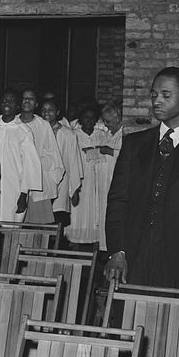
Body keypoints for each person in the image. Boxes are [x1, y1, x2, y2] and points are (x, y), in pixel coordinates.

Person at [105, 68, 179, 289]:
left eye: (166, 95)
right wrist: (117, 251)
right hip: (134, 258)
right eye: (154, 94)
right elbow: (118, 201)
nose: (157, 101)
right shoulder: (135, 144)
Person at [0, 90, 42, 221]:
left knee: (11, 224)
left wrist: (23, 194)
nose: (7, 103)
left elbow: (29, 165)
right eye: (4, 101)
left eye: (11, 101)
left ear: (17, 106)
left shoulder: (23, 130)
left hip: (15, 186)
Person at [18, 88, 65, 224]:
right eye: (24, 98)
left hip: (39, 186)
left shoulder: (43, 126)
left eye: (31, 98)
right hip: (15, 183)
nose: (27, 101)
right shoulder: (12, 125)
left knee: (38, 229)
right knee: (14, 227)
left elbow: (55, 159)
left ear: (36, 104)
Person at [41, 97, 83, 238]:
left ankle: (54, 252)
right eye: (44, 110)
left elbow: (73, 160)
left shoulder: (67, 134)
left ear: (58, 112)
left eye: (51, 110)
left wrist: (74, 189)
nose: (47, 113)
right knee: (41, 221)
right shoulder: (36, 131)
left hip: (62, 183)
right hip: (41, 182)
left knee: (57, 220)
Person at [66, 104, 105, 249]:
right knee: (77, 210)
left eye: (92, 118)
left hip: (96, 179)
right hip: (79, 178)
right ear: (80, 120)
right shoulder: (73, 135)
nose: (89, 120)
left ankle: (94, 240)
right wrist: (95, 152)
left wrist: (91, 152)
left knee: (94, 208)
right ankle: (74, 239)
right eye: (85, 117)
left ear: (96, 120)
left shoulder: (101, 135)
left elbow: (107, 155)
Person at [96, 100, 124, 254]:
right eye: (104, 121)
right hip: (102, 180)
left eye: (109, 121)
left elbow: (127, 157)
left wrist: (110, 151)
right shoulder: (107, 134)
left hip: (114, 179)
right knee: (103, 213)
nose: (106, 125)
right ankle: (104, 248)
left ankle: (113, 249)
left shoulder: (124, 134)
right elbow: (101, 152)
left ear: (119, 118)